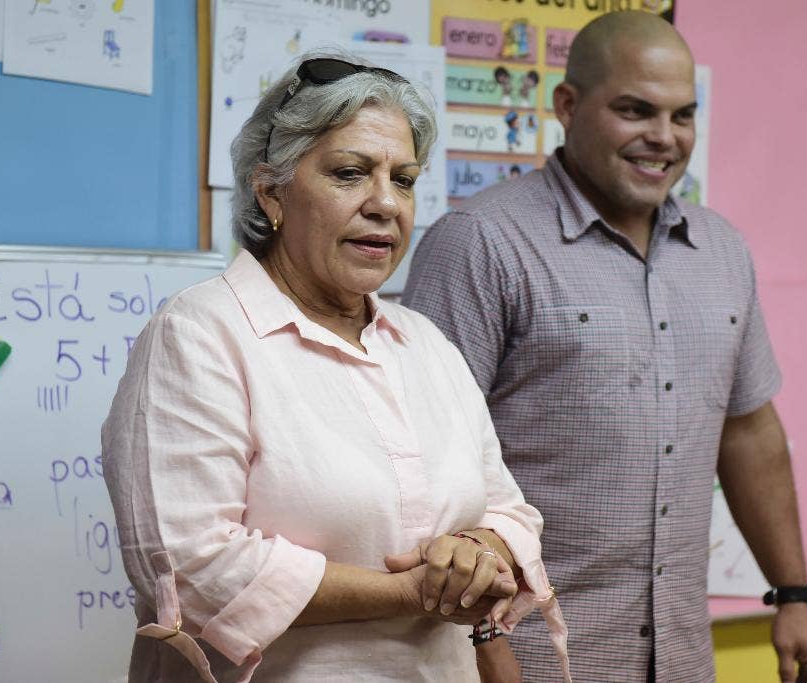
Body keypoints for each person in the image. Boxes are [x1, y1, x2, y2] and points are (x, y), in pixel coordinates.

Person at [101, 51, 568, 683]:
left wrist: (478, 553)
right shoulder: (198, 335)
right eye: (350, 173)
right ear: (273, 194)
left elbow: (509, 512)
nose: (385, 204)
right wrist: (415, 594)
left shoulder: (424, 343)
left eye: (403, 180)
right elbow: (190, 569)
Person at [403, 12, 807, 683]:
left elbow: (748, 431)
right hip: (529, 657)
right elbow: (417, 461)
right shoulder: (480, 243)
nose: (664, 138)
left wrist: (793, 591)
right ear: (567, 106)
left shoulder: (722, 252)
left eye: (682, 115)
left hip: (681, 657)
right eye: (636, 110)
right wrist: (480, 639)